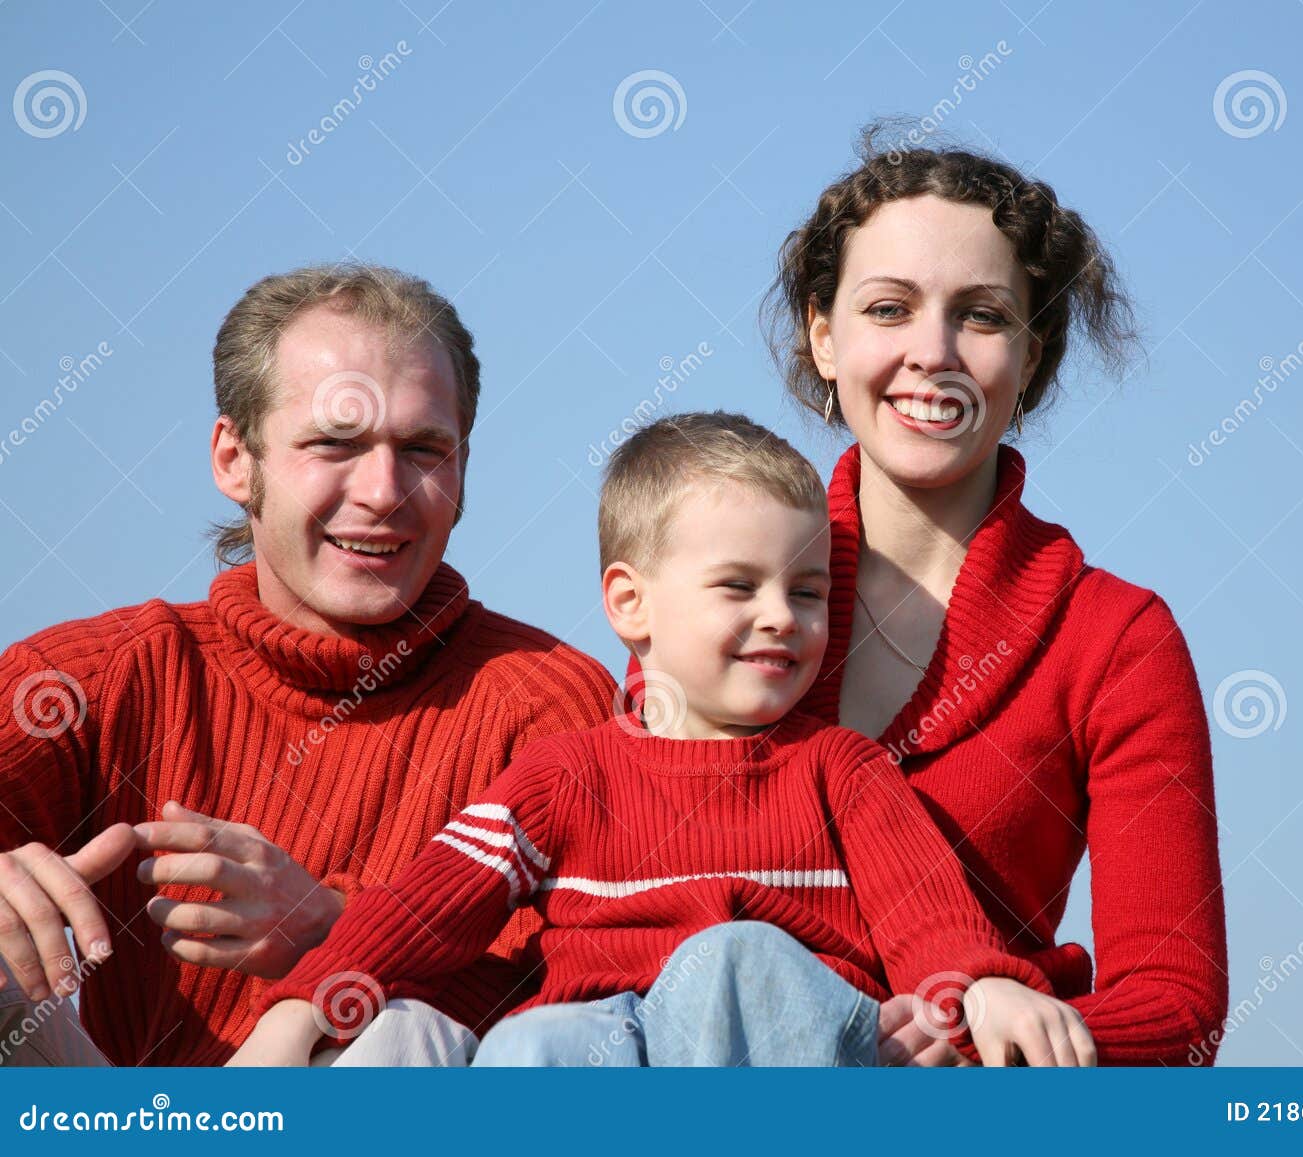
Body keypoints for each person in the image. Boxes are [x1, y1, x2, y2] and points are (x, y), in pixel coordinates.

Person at [230, 411, 1094, 1067]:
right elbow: (427, 908)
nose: (779, 617)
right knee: (462, 1043)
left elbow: (927, 914)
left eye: (806, 592)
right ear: (629, 603)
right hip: (602, 1044)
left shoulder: (841, 769)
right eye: (738, 585)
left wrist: (980, 988)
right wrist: (302, 1008)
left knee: (737, 957)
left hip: (769, 1044)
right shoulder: (566, 774)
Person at [0, 264, 615, 1067]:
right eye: (336, 443)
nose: (384, 490)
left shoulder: (548, 703)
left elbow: (599, 999)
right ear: (234, 459)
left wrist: (333, 930)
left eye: (424, 448)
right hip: (122, 1126)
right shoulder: (107, 677)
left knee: (408, 1033)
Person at [752, 129, 1229, 1065]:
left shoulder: (1116, 640)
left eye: (981, 315)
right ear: (824, 336)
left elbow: (1179, 1008)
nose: (933, 353)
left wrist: (998, 1043)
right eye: (889, 308)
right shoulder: (717, 587)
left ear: (1031, 353)